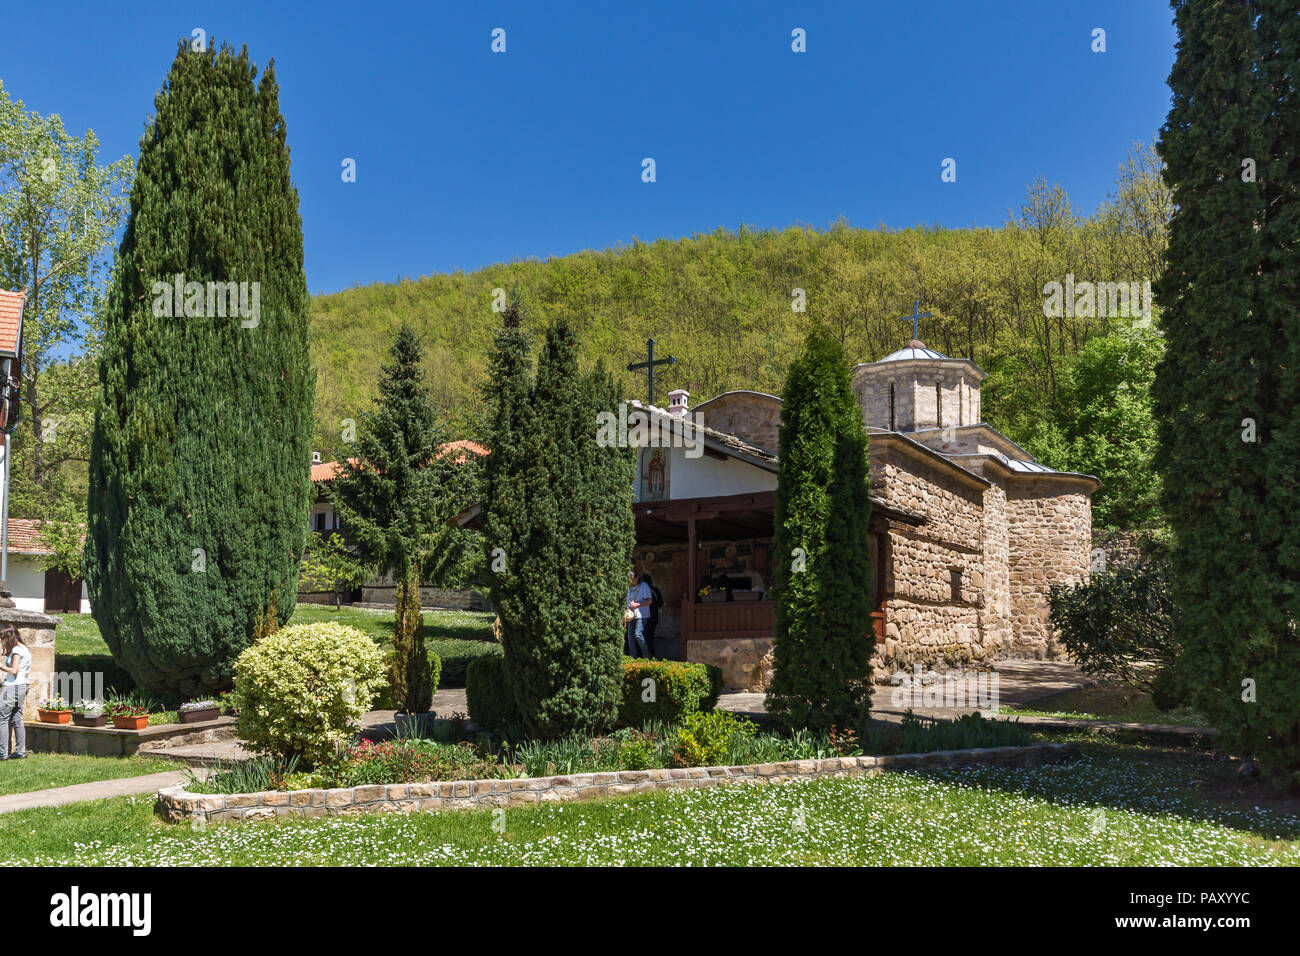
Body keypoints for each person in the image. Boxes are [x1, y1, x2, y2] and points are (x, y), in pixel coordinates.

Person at [0, 625, 31, 760]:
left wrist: (1, 666)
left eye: (3, 638)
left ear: (9, 637)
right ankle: (20, 751)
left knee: (2, 718)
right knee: (17, 718)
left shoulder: (17, 651)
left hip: (12, 687)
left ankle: (2, 753)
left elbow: (14, 671)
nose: (2, 641)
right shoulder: (24, 649)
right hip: (23, 686)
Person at [625, 570, 652, 658]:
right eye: (631, 579)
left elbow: (649, 601)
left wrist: (638, 604)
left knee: (638, 634)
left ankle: (646, 655)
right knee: (630, 637)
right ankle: (633, 657)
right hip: (630, 615)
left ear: (638, 578)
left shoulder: (644, 586)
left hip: (642, 615)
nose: (633, 581)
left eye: (634, 579)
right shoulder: (627, 587)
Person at [639, 572, 663, 656]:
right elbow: (661, 603)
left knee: (643, 637)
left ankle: (645, 656)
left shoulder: (642, 591)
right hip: (653, 618)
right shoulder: (655, 590)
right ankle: (650, 655)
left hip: (645, 618)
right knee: (649, 637)